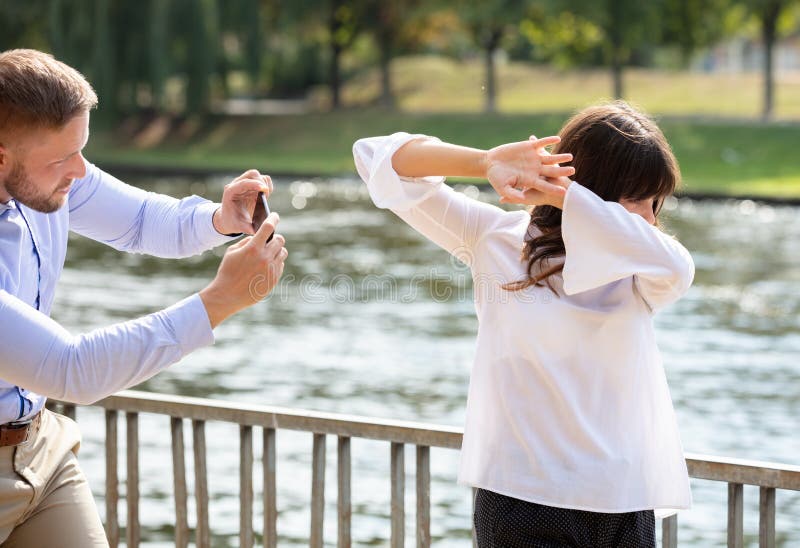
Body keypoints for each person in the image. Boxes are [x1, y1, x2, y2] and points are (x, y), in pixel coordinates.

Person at [353, 101, 694, 547]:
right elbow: (374, 157)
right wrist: (486, 162)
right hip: (521, 498)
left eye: (656, 202)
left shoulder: (643, 272)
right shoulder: (494, 238)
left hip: (622, 503)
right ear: (598, 187)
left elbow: (679, 265)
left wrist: (563, 195)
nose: (650, 218)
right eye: (636, 199)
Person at [0, 49, 287, 546]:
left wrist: (220, 220)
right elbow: (72, 369)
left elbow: (141, 222)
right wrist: (220, 300)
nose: (82, 171)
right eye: (64, 157)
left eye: (82, 148)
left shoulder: (50, 181)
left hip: (40, 450)